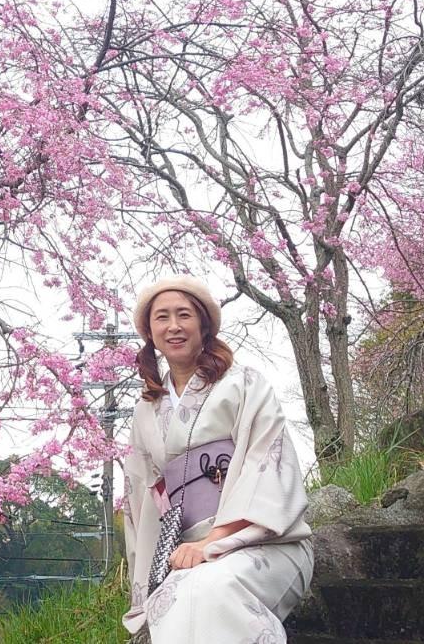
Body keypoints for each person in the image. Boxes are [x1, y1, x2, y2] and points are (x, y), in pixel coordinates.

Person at [121, 275, 314, 643]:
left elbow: (268, 468)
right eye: (162, 317)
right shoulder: (146, 411)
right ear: (149, 330)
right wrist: (151, 571)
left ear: (204, 324)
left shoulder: (244, 384)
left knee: (207, 590)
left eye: (184, 315)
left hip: (262, 542)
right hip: (187, 551)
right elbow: (143, 500)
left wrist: (215, 540)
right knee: (175, 596)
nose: (174, 326)